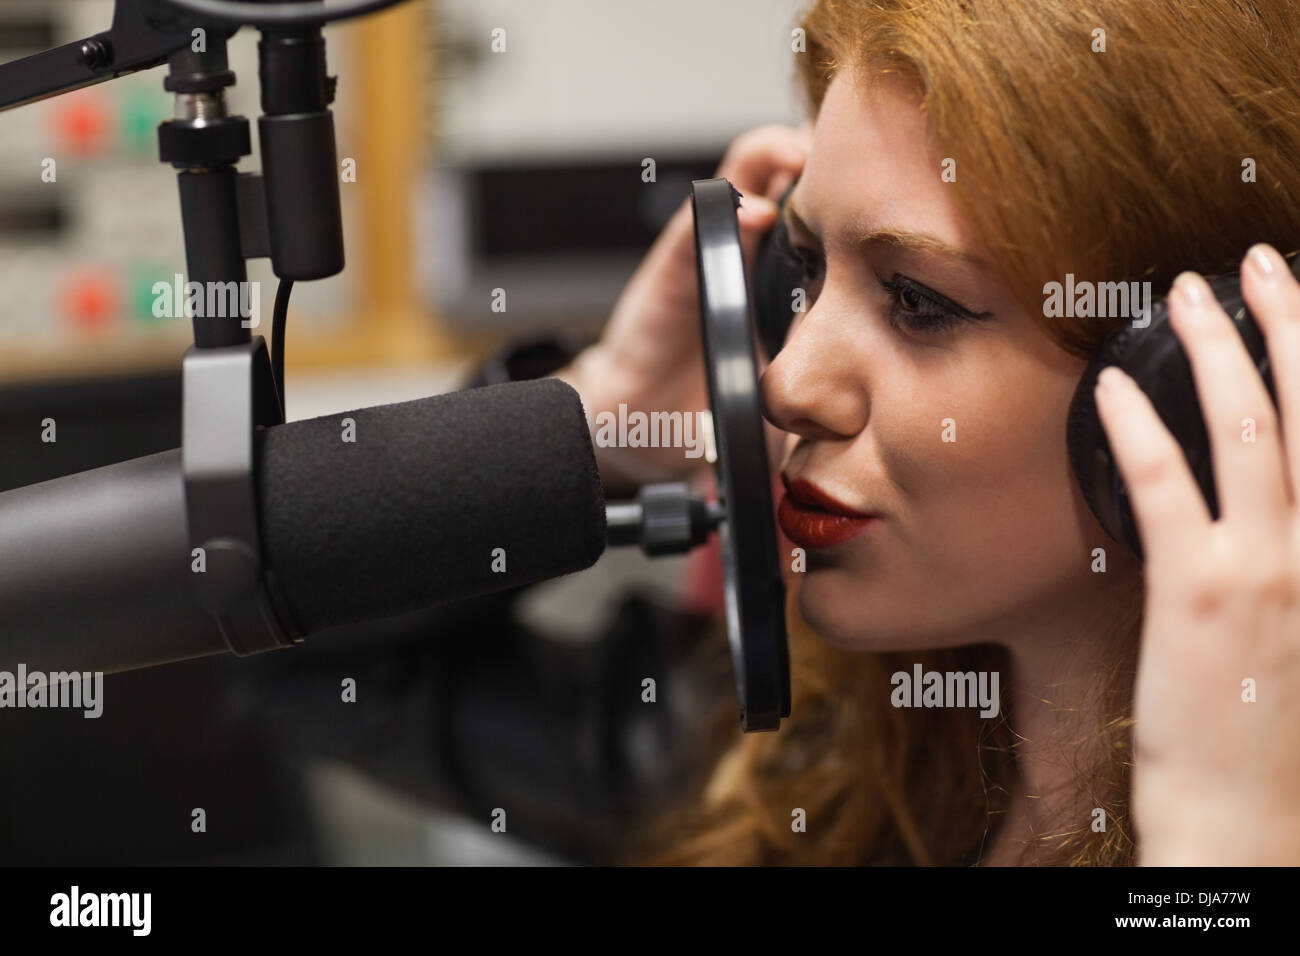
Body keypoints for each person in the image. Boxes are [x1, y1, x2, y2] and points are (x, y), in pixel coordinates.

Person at [556, 0, 1300, 865]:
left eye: (917, 301)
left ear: (1208, 371)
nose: (786, 381)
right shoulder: (797, 745)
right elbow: (371, 665)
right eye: (801, 268)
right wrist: (600, 423)